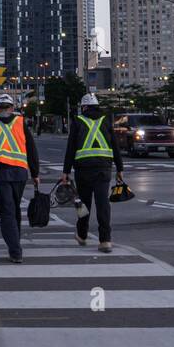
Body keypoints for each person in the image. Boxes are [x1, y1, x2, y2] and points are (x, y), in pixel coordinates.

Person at [0, 94, 40, 263]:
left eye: (2, 108)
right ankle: (15, 243)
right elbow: (32, 150)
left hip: (2, 174)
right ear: (12, 108)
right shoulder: (21, 123)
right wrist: (35, 174)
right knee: (15, 210)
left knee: (7, 211)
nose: (4, 110)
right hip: (20, 173)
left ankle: (15, 250)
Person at [61, 93, 124, 253]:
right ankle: (105, 240)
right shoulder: (106, 120)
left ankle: (82, 235)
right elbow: (115, 145)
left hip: (83, 169)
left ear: (84, 107)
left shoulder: (77, 121)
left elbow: (71, 148)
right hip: (104, 168)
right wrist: (120, 168)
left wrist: (66, 171)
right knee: (103, 204)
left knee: (84, 204)